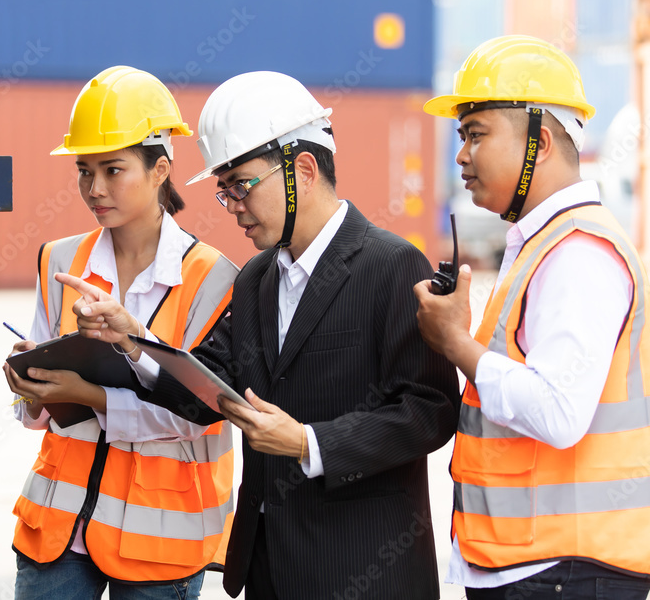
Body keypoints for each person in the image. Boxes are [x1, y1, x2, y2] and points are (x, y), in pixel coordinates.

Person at [58, 71, 461, 599]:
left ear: (305, 169)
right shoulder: (254, 280)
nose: (233, 207)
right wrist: (134, 340)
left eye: (241, 186)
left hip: (362, 567)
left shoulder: (390, 264)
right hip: (269, 567)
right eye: (223, 192)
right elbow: (207, 390)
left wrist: (308, 443)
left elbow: (429, 409)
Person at [413, 35, 650, 599]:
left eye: (476, 134)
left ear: (539, 137)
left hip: (566, 570)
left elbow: (559, 413)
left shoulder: (579, 252)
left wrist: (456, 344)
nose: (460, 155)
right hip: (542, 565)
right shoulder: (545, 244)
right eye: (461, 137)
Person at [3, 65, 239, 600]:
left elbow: (201, 415)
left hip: (161, 536)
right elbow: (34, 419)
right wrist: (29, 384)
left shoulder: (214, 278)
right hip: (59, 529)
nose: (94, 188)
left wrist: (90, 395)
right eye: (84, 171)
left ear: (161, 170)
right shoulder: (60, 260)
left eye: (113, 169)